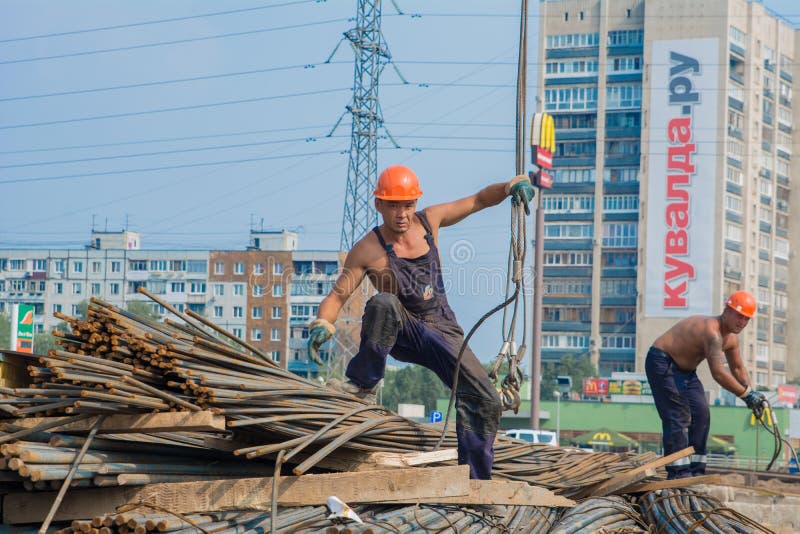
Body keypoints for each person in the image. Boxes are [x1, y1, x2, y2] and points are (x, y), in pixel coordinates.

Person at [307, 164, 535, 481]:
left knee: (485, 399)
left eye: (408, 204)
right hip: (404, 331)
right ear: (379, 204)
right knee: (382, 303)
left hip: (443, 328)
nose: (402, 213)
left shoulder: (430, 221)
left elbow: (479, 199)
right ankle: (362, 385)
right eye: (393, 205)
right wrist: (322, 322)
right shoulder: (368, 249)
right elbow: (336, 296)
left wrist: (510, 186)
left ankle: (475, 482)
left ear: (416, 203)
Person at [645, 290, 766, 479]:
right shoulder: (713, 332)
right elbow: (718, 373)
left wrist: (752, 395)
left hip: (686, 372)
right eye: (739, 316)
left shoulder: (731, 339)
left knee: (701, 414)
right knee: (678, 416)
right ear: (727, 310)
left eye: (746, 319)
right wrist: (746, 395)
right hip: (662, 362)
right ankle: (678, 473)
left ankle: (696, 471)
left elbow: (737, 368)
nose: (741, 322)